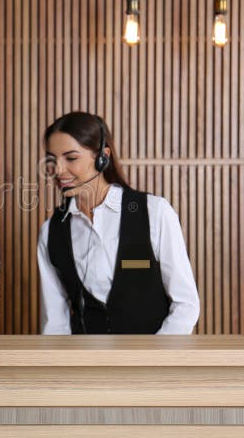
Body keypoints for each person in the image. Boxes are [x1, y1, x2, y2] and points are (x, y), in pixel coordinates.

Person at [37, 112, 199, 334]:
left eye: (71, 158)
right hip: (86, 365)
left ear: (102, 157)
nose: (58, 170)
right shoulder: (51, 232)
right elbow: (55, 322)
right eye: (52, 160)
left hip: (153, 361)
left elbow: (186, 305)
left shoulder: (155, 212)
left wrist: (155, 359)